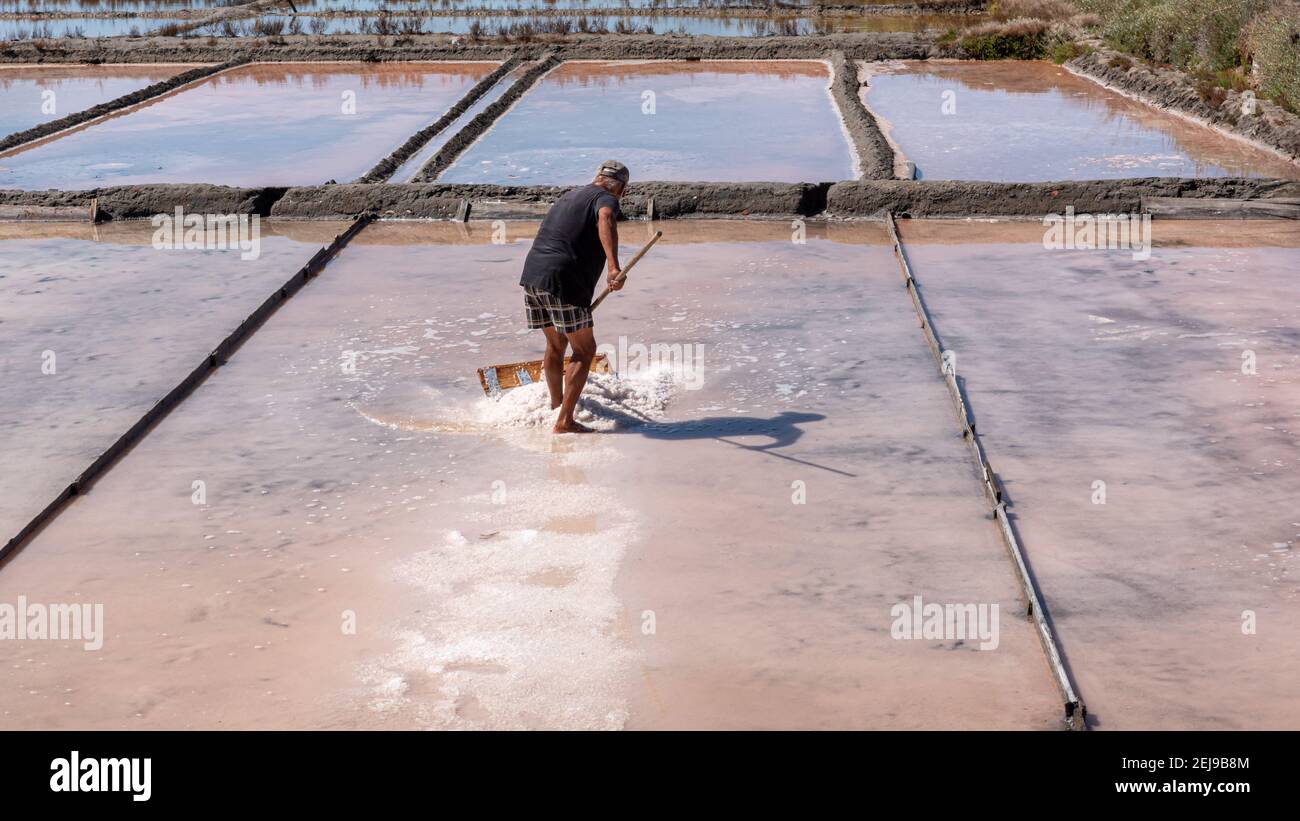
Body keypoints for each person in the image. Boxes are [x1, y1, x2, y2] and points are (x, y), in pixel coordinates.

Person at [518, 160, 629, 433]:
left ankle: (556, 405)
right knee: (584, 350)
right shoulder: (606, 199)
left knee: (556, 347)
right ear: (622, 190)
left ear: (597, 177)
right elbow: (605, 218)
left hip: (534, 276)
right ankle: (564, 421)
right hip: (564, 282)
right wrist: (614, 267)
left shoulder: (569, 196)